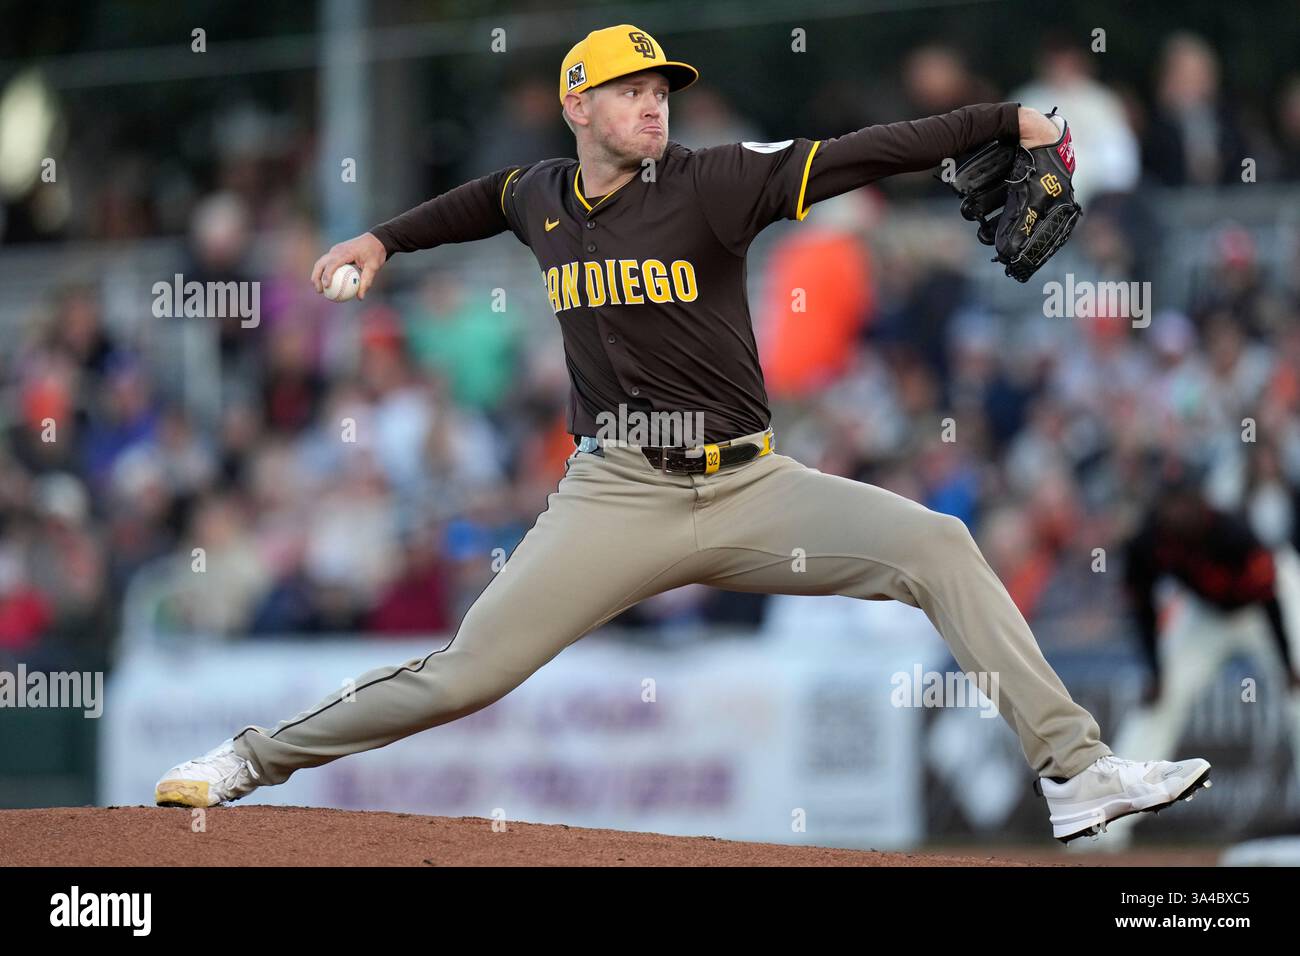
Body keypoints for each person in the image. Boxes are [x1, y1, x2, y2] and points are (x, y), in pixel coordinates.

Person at [156, 24, 1210, 844]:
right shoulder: (541, 197)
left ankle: (1076, 773)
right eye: (631, 90)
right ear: (577, 104)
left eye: (662, 90)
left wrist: (998, 122)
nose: (654, 104)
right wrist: (383, 238)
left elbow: (861, 154)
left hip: (752, 485)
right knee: (464, 672)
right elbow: (479, 201)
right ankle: (254, 758)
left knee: (938, 544)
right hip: (616, 494)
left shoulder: (712, 181)